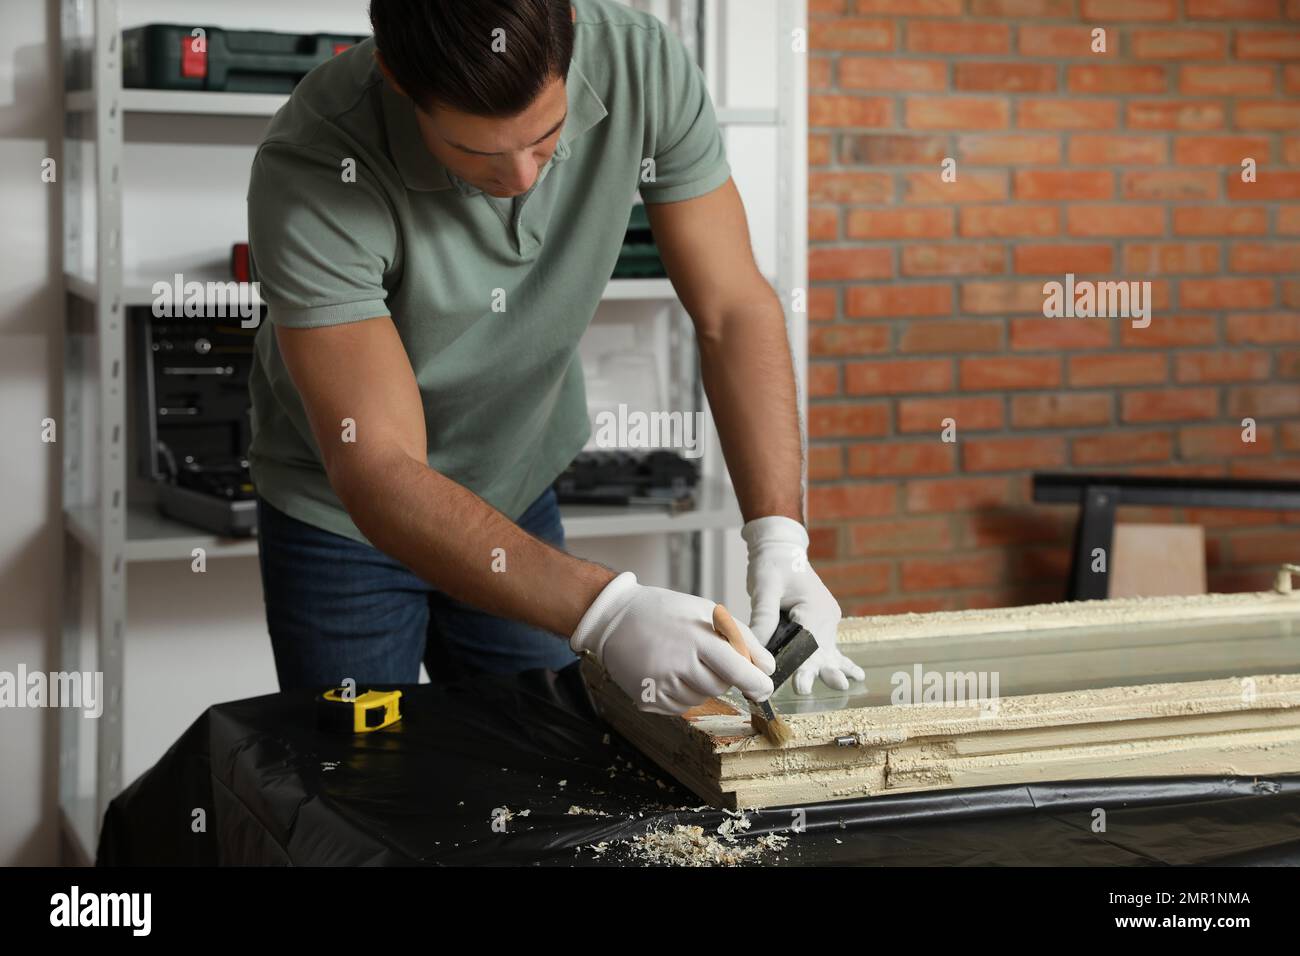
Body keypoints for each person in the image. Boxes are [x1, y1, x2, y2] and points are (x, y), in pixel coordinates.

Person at [246, 0, 863, 713]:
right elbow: (381, 466)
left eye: (545, 138)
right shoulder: (315, 163)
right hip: (341, 524)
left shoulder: (640, 63)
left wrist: (779, 538)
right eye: (476, 153)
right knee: (358, 779)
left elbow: (733, 309)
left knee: (546, 764)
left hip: (514, 489)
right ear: (396, 80)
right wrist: (604, 610)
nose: (521, 178)